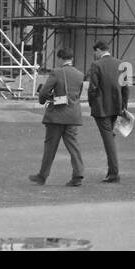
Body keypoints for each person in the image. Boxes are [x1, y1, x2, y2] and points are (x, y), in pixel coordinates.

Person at [29, 47, 85, 187]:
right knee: (73, 146)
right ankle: (78, 174)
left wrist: (43, 100)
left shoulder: (56, 72)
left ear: (60, 58)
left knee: (50, 147)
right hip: (73, 115)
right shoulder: (79, 74)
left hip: (56, 116)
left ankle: (42, 175)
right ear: (72, 58)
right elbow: (78, 94)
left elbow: (44, 92)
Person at [86, 39, 128, 183]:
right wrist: (123, 107)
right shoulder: (122, 64)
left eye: (95, 52)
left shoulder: (96, 65)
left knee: (108, 140)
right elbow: (125, 88)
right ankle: (111, 171)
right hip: (116, 108)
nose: (95, 55)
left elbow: (93, 88)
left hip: (101, 108)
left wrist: (92, 104)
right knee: (110, 137)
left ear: (98, 50)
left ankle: (114, 173)